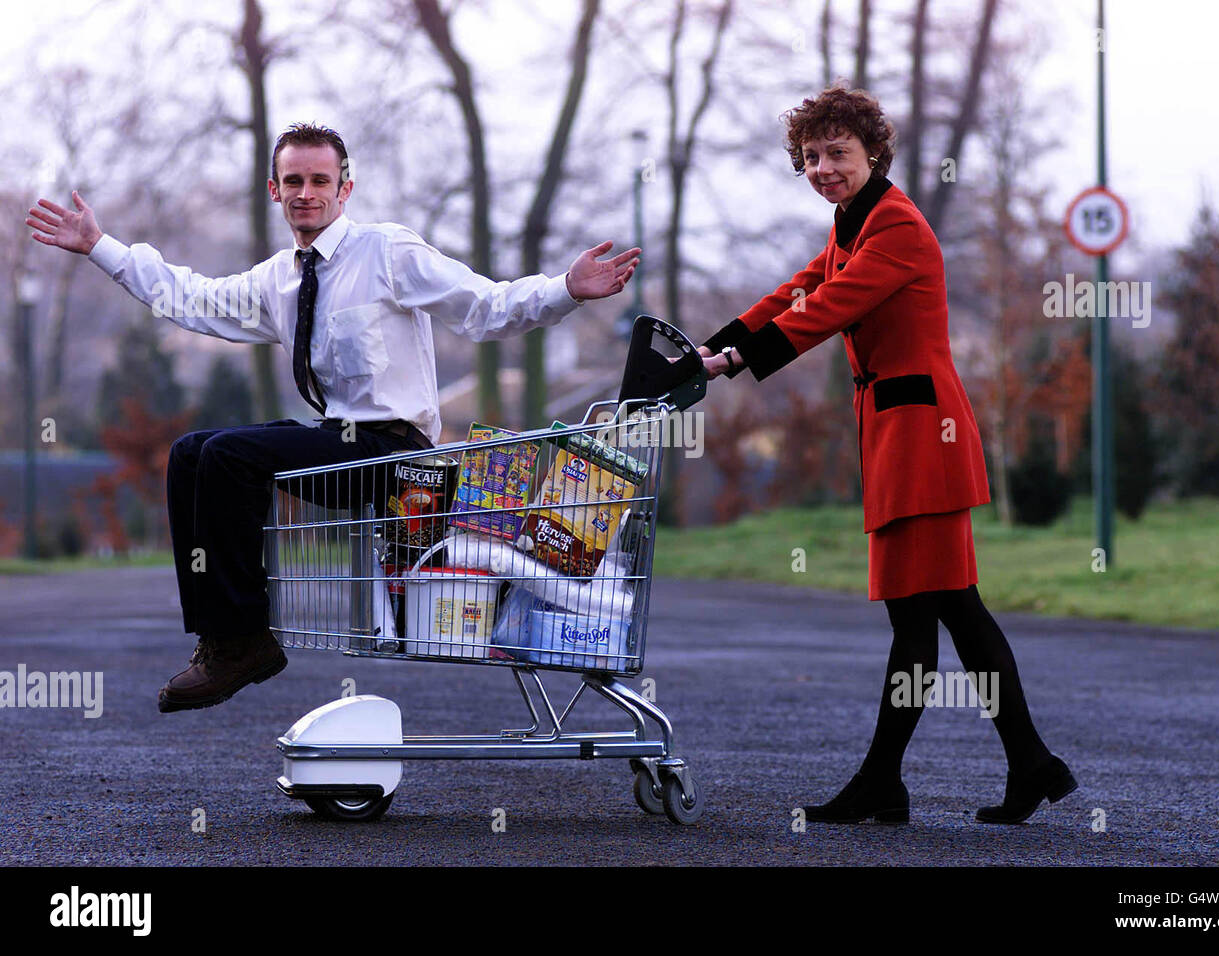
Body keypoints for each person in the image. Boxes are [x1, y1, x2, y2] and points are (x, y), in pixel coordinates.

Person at [27, 122, 640, 715]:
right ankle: (224, 639)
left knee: (228, 457)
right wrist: (101, 250)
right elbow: (192, 298)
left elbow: (483, 307)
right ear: (275, 190)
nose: (306, 193)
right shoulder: (279, 279)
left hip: (400, 458)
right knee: (192, 451)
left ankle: (244, 641)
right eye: (292, 181)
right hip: (339, 442)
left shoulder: (388, 253)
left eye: (320, 180)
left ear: (345, 189)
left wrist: (566, 288)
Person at [696, 87, 1076, 825]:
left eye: (838, 153)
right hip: (899, 430)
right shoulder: (853, 223)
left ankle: (886, 781)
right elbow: (798, 289)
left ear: (873, 154)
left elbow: (829, 306)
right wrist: (713, 343)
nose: (824, 167)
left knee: (919, 616)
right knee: (954, 611)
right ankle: (1030, 764)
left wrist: (738, 359)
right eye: (811, 157)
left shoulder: (895, 227)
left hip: (923, 434)